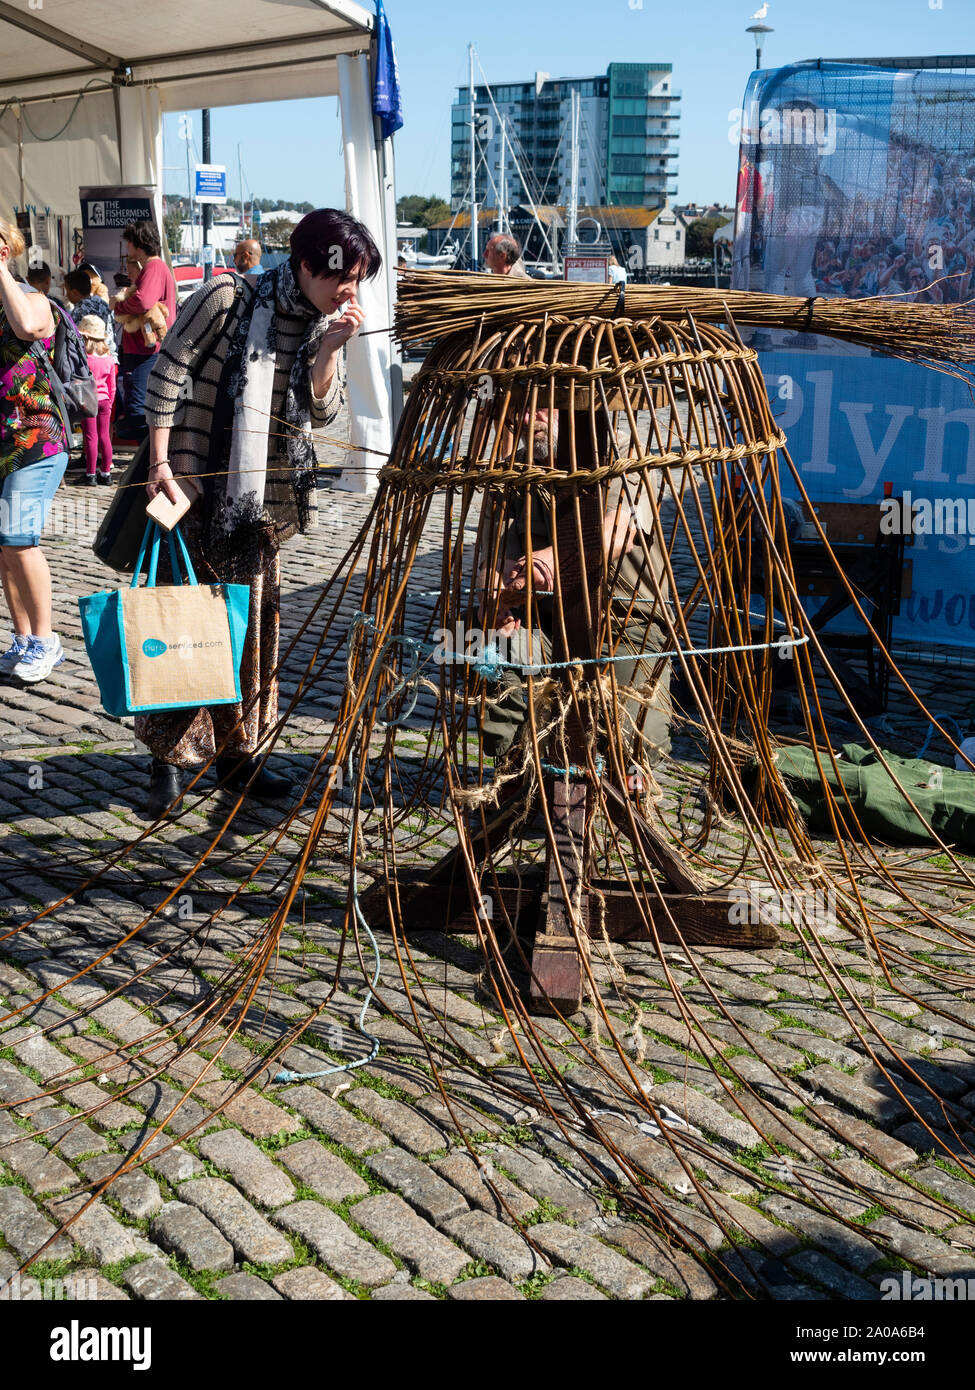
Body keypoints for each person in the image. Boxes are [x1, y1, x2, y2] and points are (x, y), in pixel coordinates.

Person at [138, 207, 380, 817]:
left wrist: (328, 350)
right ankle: (166, 759)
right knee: (187, 621)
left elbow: (322, 413)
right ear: (304, 264)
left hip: (263, 502)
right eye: (341, 278)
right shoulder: (228, 296)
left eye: (358, 281)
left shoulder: (322, 322)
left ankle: (237, 754)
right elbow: (169, 370)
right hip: (195, 485)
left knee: (251, 634)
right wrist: (160, 463)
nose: (349, 292)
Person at [477, 410, 672, 768]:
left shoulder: (628, 457)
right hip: (547, 627)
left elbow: (616, 530)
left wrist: (549, 562)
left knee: (637, 741)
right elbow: (489, 561)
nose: (526, 417)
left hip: (624, 627)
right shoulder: (511, 474)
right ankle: (518, 766)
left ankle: (631, 779)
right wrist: (494, 599)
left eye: (541, 404)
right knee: (487, 645)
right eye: (520, 406)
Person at [0, 217, 69, 683]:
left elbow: (27, 327)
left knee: (19, 539)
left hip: (36, 438)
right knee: (4, 546)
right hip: (1, 443)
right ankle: (23, 638)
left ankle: (46, 640)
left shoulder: (34, 298)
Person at [110, 220, 176, 442]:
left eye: (128, 243)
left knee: (138, 406)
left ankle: (147, 461)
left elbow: (143, 301)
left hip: (145, 351)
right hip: (145, 349)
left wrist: (118, 306)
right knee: (139, 404)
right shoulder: (156, 267)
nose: (127, 249)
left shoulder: (153, 267)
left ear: (137, 243)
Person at [76, 314, 115, 485]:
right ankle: (106, 473)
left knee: (91, 437)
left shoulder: (84, 359)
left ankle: (90, 474)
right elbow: (112, 385)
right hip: (105, 400)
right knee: (104, 436)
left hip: (88, 400)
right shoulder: (108, 359)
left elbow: (78, 382)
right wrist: (111, 403)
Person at [63, 269, 115, 340]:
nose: (66, 295)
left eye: (67, 291)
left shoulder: (79, 310)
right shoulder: (102, 303)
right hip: (109, 348)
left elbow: (73, 338)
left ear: (75, 292)